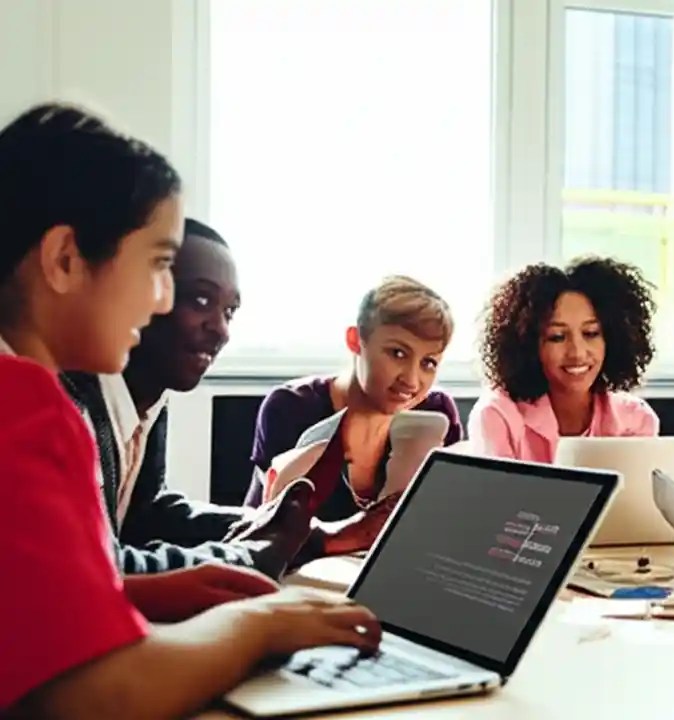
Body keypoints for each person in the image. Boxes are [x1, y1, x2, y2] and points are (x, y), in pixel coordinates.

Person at [0, 101, 379, 719]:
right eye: (156, 266)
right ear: (65, 259)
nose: (159, 300)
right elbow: (103, 695)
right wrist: (260, 625)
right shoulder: (26, 407)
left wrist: (132, 590)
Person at [60, 219, 316, 578]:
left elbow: (144, 514)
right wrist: (247, 556)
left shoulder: (146, 400)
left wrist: (270, 523)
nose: (221, 329)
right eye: (200, 300)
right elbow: (101, 566)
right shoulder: (70, 406)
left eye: (229, 311)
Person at [246, 275, 462, 533]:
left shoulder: (436, 413)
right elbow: (267, 531)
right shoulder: (292, 407)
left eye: (428, 362)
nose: (411, 380)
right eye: (398, 353)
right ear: (355, 340)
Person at [469, 255, 659, 462]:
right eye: (557, 337)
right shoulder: (498, 415)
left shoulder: (635, 419)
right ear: (528, 343)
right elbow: (497, 494)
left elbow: (639, 494)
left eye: (591, 333)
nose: (577, 352)